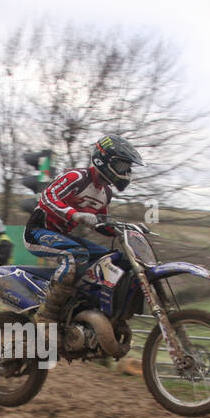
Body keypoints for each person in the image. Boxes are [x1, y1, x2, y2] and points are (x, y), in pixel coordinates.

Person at [23, 134, 143, 324]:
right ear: (103, 159)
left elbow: (102, 223)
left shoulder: (105, 193)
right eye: (122, 166)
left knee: (113, 258)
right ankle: (47, 313)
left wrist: (127, 228)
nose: (126, 172)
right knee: (76, 255)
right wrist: (74, 214)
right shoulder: (76, 177)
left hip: (63, 237)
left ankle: (84, 305)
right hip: (38, 232)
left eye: (128, 168)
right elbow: (47, 197)